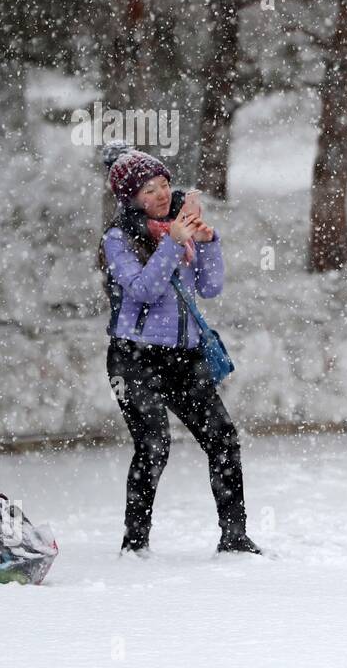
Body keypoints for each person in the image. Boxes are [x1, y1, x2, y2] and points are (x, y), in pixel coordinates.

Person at [99, 147, 260, 556]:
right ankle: (134, 545)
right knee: (153, 445)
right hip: (133, 359)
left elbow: (210, 288)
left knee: (222, 439)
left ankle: (235, 538)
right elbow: (143, 291)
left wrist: (206, 242)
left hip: (184, 358)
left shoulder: (181, 232)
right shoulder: (118, 240)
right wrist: (173, 243)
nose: (161, 195)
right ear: (130, 199)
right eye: (148, 190)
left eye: (165, 185)